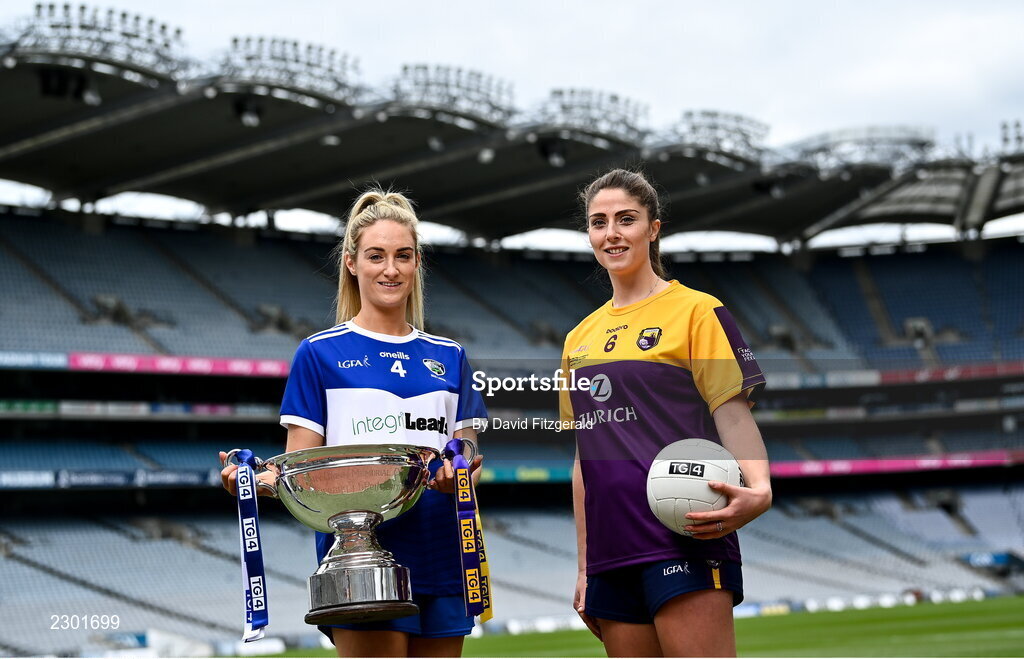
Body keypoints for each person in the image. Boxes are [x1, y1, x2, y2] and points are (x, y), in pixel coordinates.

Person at [220, 189, 487, 658]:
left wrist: (458, 476)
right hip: (358, 559)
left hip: (443, 549)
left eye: (403, 256)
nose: (391, 269)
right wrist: (257, 482)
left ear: (417, 263)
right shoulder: (319, 353)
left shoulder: (451, 356)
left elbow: (466, 458)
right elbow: (300, 467)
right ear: (351, 263)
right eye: (376, 256)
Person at [559, 169, 772, 657]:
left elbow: (733, 414)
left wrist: (760, 488)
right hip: (612, 551)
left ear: (653, 228)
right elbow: (584, 458)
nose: (611, 233)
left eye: (626, 219)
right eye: (598, 222)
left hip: (686, 532)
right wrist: (586, 566)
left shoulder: (698, 311)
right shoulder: (577, 339)